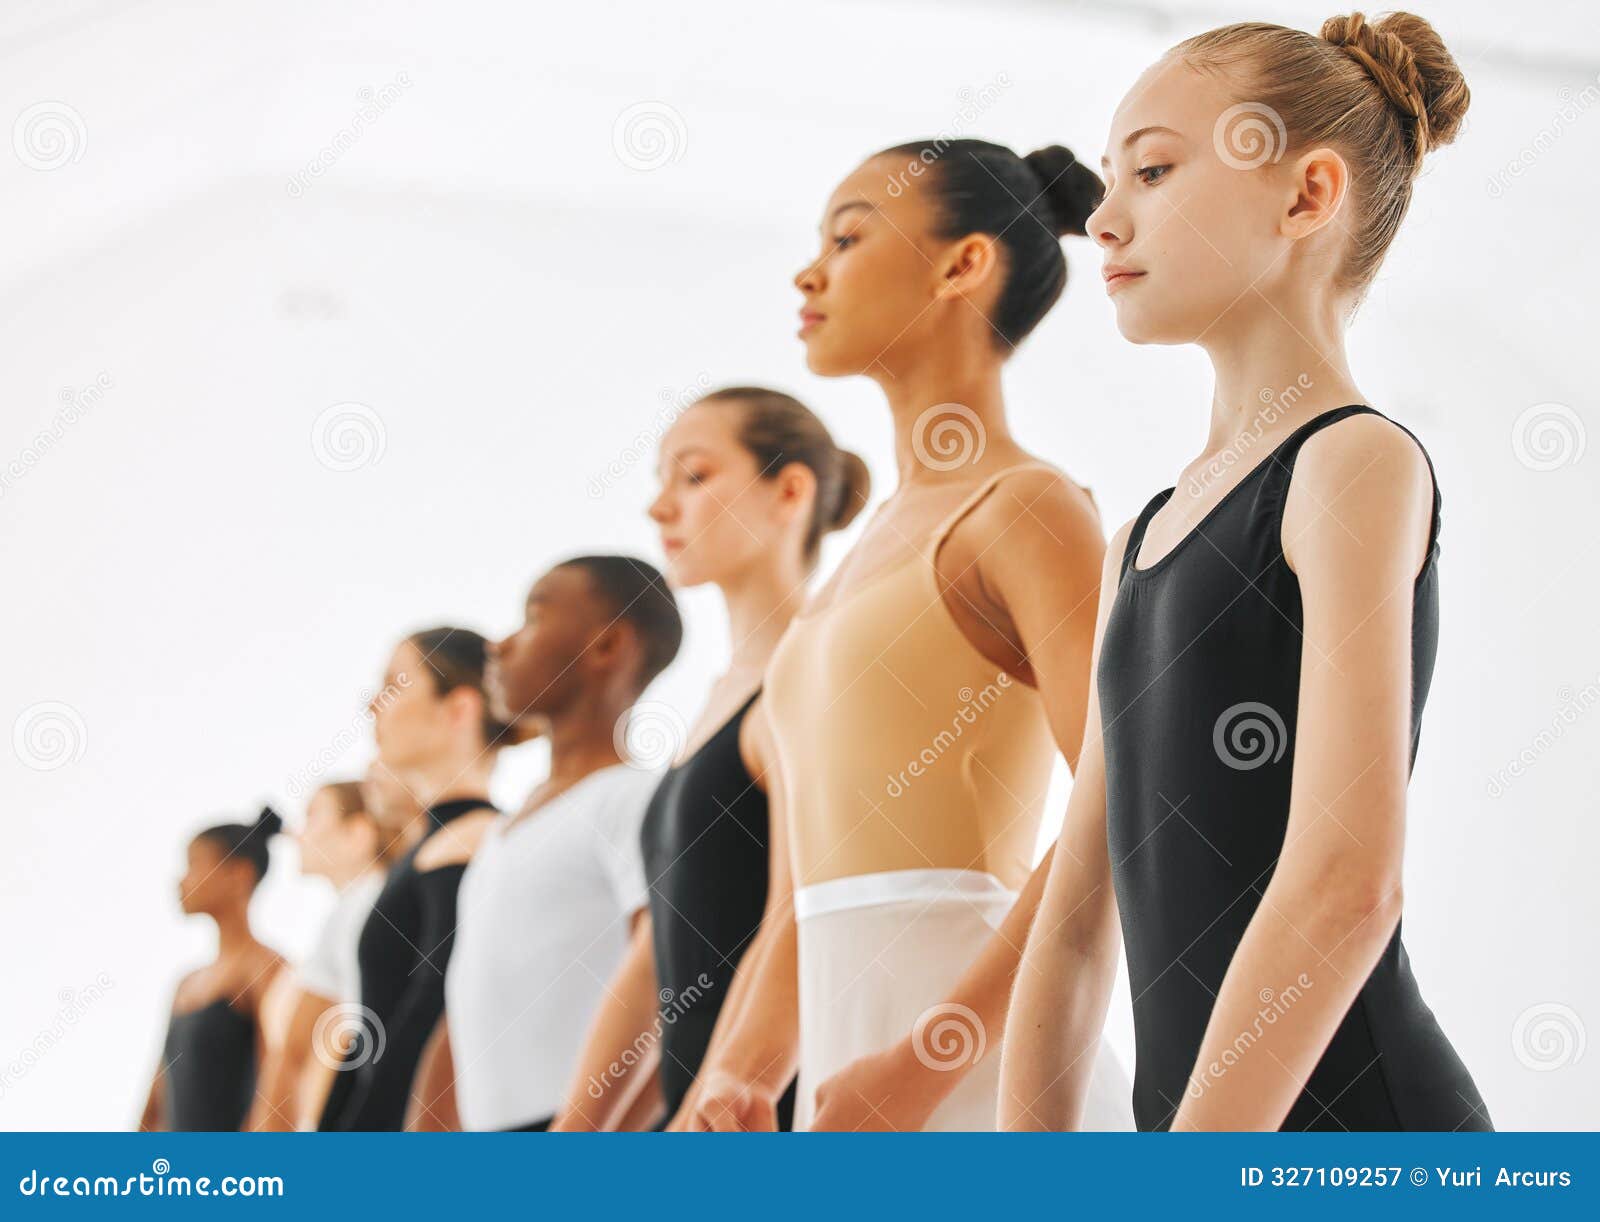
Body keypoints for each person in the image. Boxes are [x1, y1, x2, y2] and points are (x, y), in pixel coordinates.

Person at [1001, 12, 1491, 1132]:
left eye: (1155, 170)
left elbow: (1346, 885)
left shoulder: (1350, 464)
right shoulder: (1146, 532)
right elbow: (1076, 921)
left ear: (1307, 197)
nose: (1103, 215)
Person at [680, 140, 1131, 1131]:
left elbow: (1123, 805)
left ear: (962, 264)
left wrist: (923, 1066)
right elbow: (804, 893)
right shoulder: (841, 576)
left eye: (845, 238)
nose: (809, 272)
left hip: (977, 1070)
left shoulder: (1029, 508)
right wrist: (742, 1076)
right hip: (847, 1079)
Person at [552, 388, 868, 1131]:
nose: (660, 508)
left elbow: (799, 912)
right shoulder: (717, 705)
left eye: (693, 478)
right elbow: (655, 959)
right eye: (660, 482)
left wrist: (711, 1104)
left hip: (760, 1116)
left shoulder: (820, 673)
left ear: (790, 491)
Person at [407, 556, 683, 1132]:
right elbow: (467, 1005)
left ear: (607, 646)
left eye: (532, 617)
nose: (501, 645)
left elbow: (667, 981)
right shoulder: (506, 832)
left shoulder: (630, 799)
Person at [318, 628, 511, 1130]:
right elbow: (371, 1032)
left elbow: (431, 1025)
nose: (372, 706)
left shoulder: (477, 843)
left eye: (393, 684)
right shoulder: (427, 849)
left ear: (459, 708)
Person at [248, 779, 398, 1130]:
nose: (296, 835)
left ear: (358, 834)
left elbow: (301, 1049)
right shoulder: (353, 909)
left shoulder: (365, 905)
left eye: (313, 816)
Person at [139, 808, 285, 1131]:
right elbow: (157, 1100)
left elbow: (279, 1084)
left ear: (239, 875)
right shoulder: (186, 984)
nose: (181, 880)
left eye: (193, 864)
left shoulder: (267, 969)